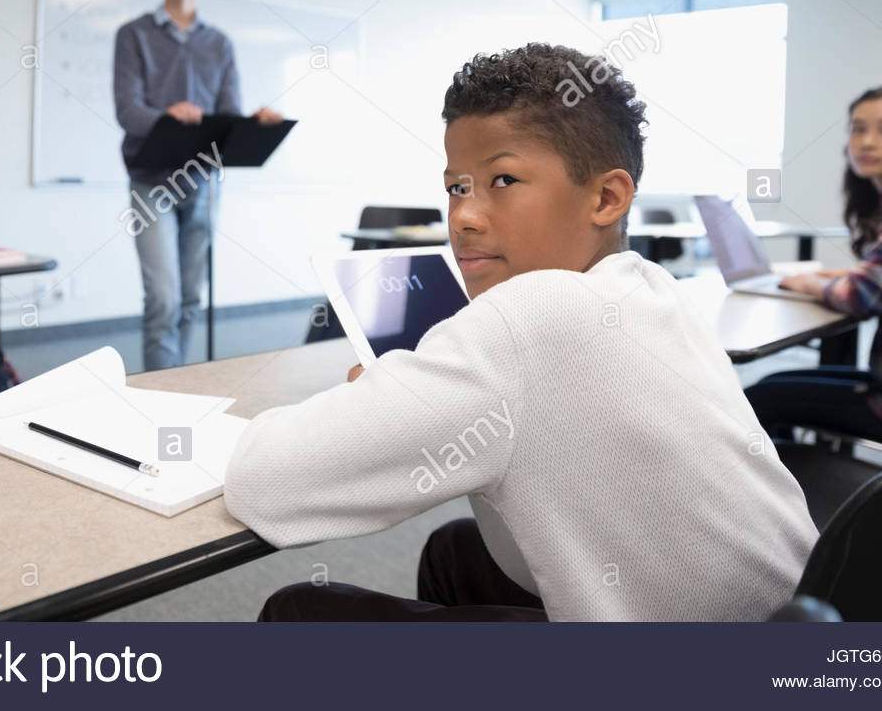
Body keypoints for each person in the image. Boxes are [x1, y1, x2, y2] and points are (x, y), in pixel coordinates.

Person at [224, 44, 817, 621]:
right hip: (808, 630)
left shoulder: (530, 314)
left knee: (298, 611)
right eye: (457, 187)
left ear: (607, 196)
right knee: (456, 551)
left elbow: (263, 483)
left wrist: (381, 398)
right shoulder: (656, 287)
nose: (463, 215)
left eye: (502, 180)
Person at [746, 85, 882, 453]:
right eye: (858, 129)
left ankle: (783, 495)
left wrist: (807, 281)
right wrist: (838, 276)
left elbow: (863, 296)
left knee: (761, 398)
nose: (867, 142)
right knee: (775, 383)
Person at [113, 0, 281, 371]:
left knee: (189, 298)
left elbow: (227, 113)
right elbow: (128, 112)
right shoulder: (133, 36)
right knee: (164, 299)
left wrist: (254, 123)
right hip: (151, 183)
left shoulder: (220, 43)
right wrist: (168, 115)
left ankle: (178, 384)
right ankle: (158, 392)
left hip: (203, 181)